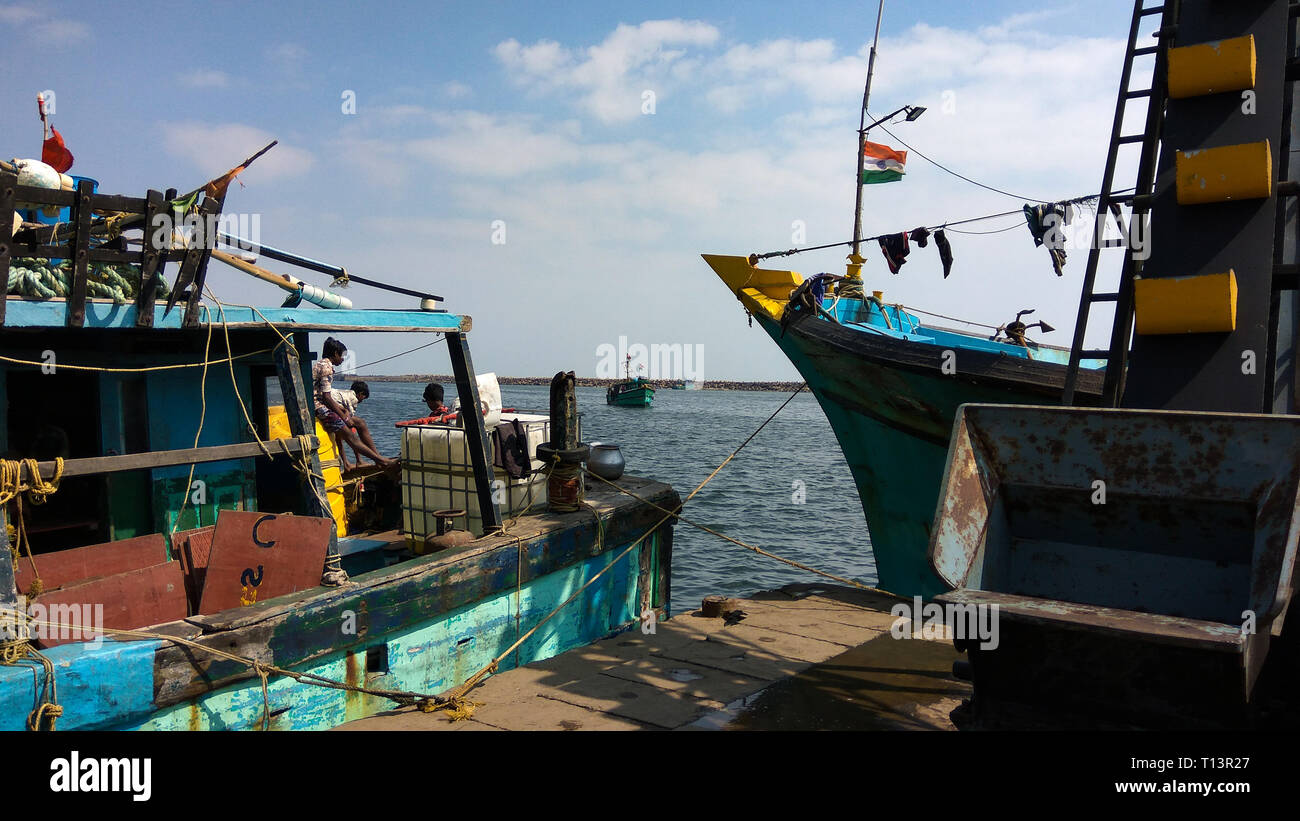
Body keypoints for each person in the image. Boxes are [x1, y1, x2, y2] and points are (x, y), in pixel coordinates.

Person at [313, 338, 395, 471]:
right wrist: (344, 417)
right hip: (318, 407)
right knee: (350, 435)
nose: (343, 359)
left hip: (319, 403)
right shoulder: (327, 368)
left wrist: (341, 410)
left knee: (356, 425)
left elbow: (324, 395)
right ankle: (381, 461)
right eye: (341, 356)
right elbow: (326, 398)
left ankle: (373, 459)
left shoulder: (320, 364)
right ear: (335, 353)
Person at [331, 380, 385, 469]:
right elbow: (350, 421)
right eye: (363, 398)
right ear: (360, 394)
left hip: (326, 406)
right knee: (360, 423)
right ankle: (378, 459)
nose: (361, 401)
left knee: (340, 434)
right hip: (330, 409)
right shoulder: (353, 398)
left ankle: (347, 463)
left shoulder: (345, 393)